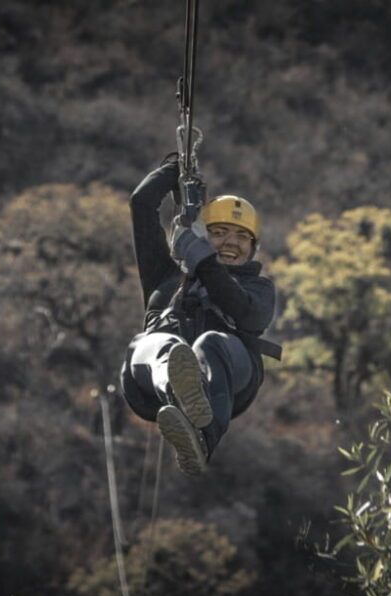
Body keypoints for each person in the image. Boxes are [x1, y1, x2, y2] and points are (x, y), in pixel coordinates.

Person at [120, 155, 280, 476]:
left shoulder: (259, 289)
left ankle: (203, 436)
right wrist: (176, 169)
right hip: (150, 382)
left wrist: (201, 258)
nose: (230, 242)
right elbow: (142, 204)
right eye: (219, 232)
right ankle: (178, 390)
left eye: (242, 236)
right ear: (202, 235)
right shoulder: (165, 276)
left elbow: (245, 312)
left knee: (211, 342)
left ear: (253, 247)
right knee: (159, 343)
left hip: (227, 380)